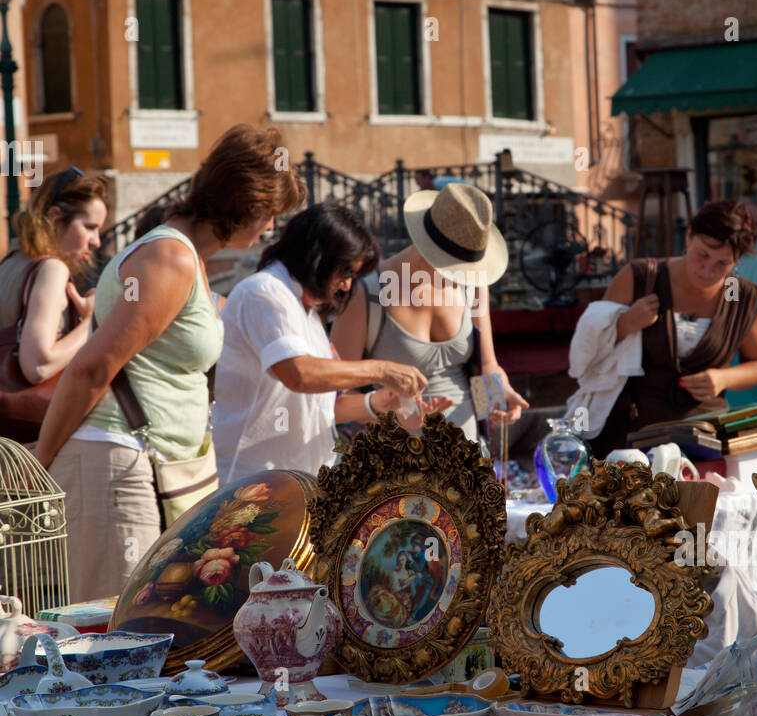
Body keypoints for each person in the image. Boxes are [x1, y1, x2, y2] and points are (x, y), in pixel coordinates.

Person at [35, 126, 301, 601]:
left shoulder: (184, 256)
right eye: (269, 215)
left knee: (147, 643)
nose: (270, 229)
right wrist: (42, 462)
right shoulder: (171, 257)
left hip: (141, 468)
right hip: (119, 466)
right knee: (116, 639)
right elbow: (92, 368)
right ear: (245, 204)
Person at [213, 201, 438, 485]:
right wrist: (380, 370)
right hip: (254, 482)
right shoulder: (264, 293)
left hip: (299, 481)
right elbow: (299, 374)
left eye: (353, 276)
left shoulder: (304, 310)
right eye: (345, 272)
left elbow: (321, 408)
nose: (346, 285)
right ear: (317, 258)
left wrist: (381, 403)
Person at [331, 182, 527, 442]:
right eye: (455, 264)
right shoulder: (366, 293)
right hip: (393, 464)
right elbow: (338, 398)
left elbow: (487, 364)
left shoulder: (473, 283)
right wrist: (395, 409)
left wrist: (497, 397)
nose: (461, 274)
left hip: (465, 456)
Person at [579, 199, 757, 457]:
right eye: (702, 255)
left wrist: (723, 379)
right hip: (631, 438)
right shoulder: (641, 278)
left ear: (737, 261)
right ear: (689, 237)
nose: (707, 270)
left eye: (722, 264)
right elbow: (587, 353)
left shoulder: (740, 295)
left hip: (706, 439)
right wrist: (626, 324)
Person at [0, 168, 107, 390]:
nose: (96, 241)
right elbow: (38, 365)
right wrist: (91, 323)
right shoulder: (52, 270)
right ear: (55, 218)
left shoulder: (10, 262)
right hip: (29, 420)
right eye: (89, 227)